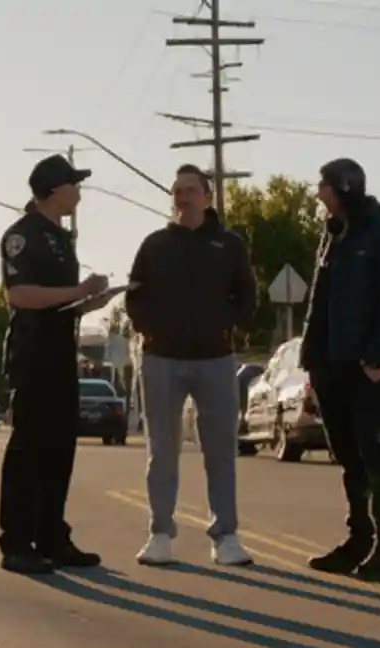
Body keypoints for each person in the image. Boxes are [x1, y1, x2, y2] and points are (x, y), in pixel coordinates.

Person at [125, 164, 258, 567]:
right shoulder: (155, 245)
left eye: (189, 190)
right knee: (162, 451)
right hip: (161, 360)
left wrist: (229, 327)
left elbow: (247, 296)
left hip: (215, 361)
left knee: (219, 451)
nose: (181, 197)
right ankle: (160, 534)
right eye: (176, 191)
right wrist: (150, 330)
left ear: (207, 196)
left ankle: (225, 537)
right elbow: (135, 296)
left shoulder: (229, 245)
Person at [0, 153, 111, 575]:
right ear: (52, 190)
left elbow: (63, 300)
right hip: (32, 355)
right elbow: (21, 295)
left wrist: (91, 299)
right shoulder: (21, 236)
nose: (79, 190)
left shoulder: (62, 239)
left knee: (60, 449)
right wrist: (77, 290)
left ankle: (51, 537)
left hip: (62, 351)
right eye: (73, 184)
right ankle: (16, 541)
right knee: (29, 450)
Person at [299, 158, 380, 582]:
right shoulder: (332, 236)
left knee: (376, 457)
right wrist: (310, 356)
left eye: (323, 185)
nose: (318, 193)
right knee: (349, 459)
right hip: (329, 365)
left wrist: (378, 356)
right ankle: (357, 540)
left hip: (368, 368)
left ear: (343, 187)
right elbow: (319, 301)